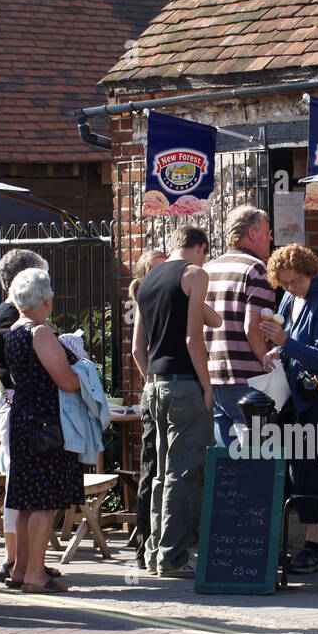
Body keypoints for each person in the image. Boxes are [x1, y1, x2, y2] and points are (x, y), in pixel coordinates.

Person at [261, 244, 318, 574]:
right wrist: (277, 351)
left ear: (310, 273)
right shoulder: (290, 298)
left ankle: (314, 545)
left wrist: (285, 343)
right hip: (303, 397)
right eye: (283, 283)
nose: (289, 288)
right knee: (299, 469)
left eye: (295, 282)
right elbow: (292, 343)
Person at [134, 225, 215, 577]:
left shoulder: (149, 280)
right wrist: (207, 385)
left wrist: (151, 380)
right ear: (201, 248)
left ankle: (154, 552)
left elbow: (138, 347)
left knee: (159, 475)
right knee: (184, 473)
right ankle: (173, 556)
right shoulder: (195, 274)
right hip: (184, 384)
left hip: (153, 384)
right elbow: (193, 339)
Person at [3, 267, 81, 593]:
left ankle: (20, 569)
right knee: (45, 501)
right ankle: (36, 573)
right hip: (46, 422)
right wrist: (83, 379)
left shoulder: (13, 331)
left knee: (24, 500)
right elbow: (65, 379)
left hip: (22, 418)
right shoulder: (40, 333)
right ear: (45, 299)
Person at [0, 249, 50, 583]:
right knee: (20, 480)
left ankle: (22, 561)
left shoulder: (10, 314)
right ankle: (14, 561)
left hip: (15, 402)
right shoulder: (11, 316)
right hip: (15, 402)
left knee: (21, 480)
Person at [204, 205, 272, 447]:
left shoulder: (209, 268)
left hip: (215, 377)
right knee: (260, 458)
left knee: (228, 467)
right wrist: (270, 365)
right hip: (249, 379)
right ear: (252, 233)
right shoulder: (257, 270)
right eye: (267, 231)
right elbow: (251, 328)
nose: (271, 237)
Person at [127, 248, 167, 571]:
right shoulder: (145, 299)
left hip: (164, 387)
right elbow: (137, 350)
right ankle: (144, 543)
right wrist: (150, 381)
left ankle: (163, 540)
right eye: (155, 269)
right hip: (156, 389)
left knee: (166, 469)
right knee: (151, 468)